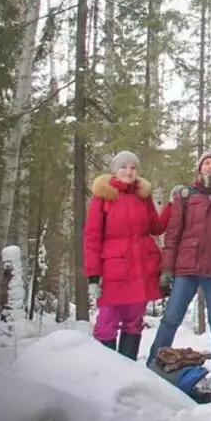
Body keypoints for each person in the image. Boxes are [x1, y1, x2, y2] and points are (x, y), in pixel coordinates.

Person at [148, 149, 211, 390]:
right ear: (200, 168)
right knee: (171, 319)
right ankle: (152, 363)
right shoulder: (186, 195)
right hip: (185, 268)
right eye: (206, 163)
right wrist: (167, 268)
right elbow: (173, 233)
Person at [83, 151, 163, 361]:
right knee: (107, 321)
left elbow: (156, 227)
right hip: (113, 270)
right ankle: (106, 370)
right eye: (124, 167)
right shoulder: (103, 197)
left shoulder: (143, 197)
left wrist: (173, 206)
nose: (129, 172)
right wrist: (93, 275)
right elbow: (92, 237)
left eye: (133, 168)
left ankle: (128, 370)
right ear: (115, 170)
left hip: (141, 268)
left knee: (134, 322)